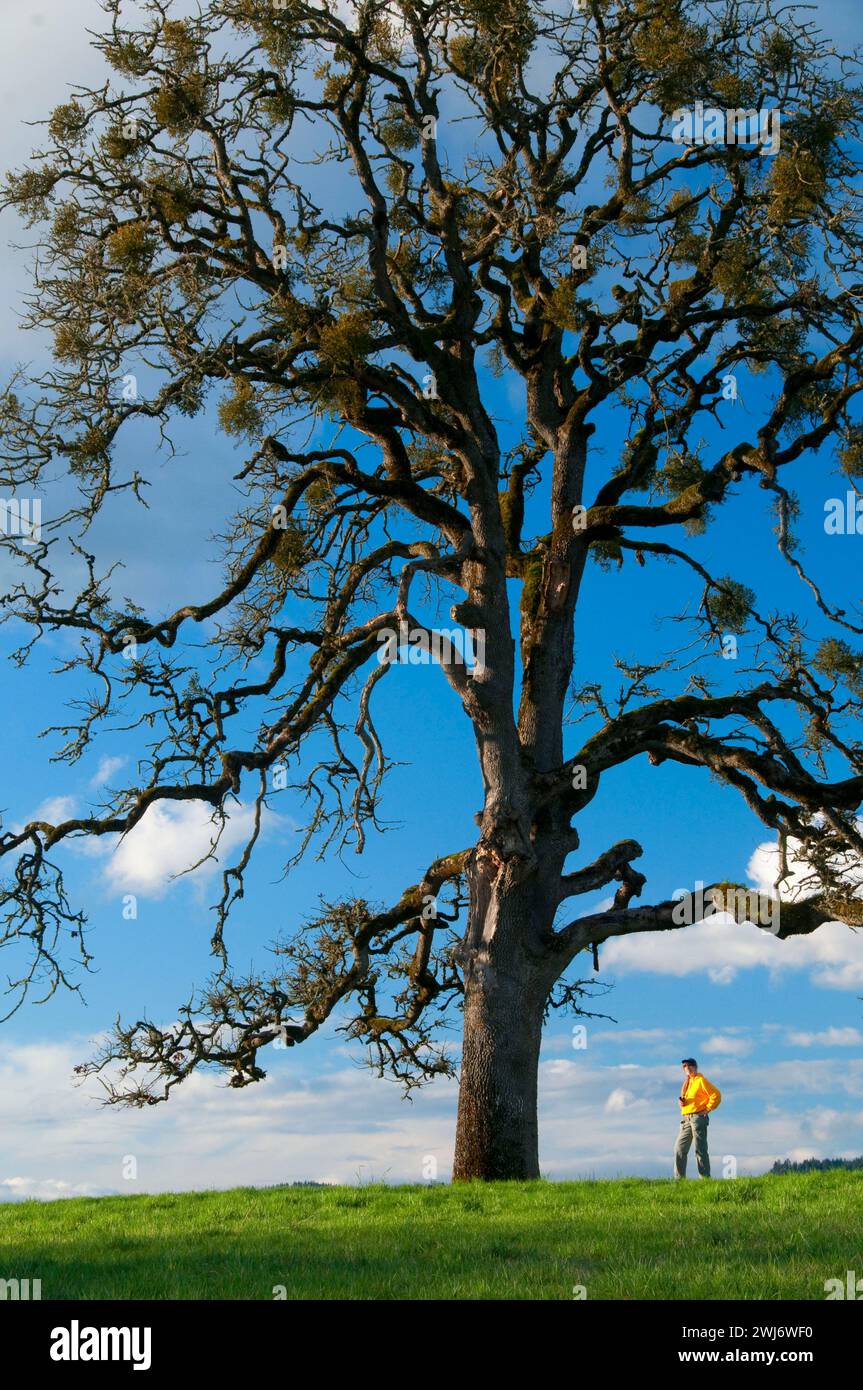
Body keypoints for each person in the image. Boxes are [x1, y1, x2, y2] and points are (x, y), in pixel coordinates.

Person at [674, 1057, 721, 1179]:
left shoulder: (700, 1080)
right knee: (679, 1149)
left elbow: (716, 1095)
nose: (687, 1068)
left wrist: (708, 1109)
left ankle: (705, 1179)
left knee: (700, 1149)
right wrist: (682, 1103)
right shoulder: (687, 1083)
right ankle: (679, 1181)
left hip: (697, 1118)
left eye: (690, 1066)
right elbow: (692, 1100)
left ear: (695, 1067)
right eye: (684, 1066)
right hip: (686, 1119)